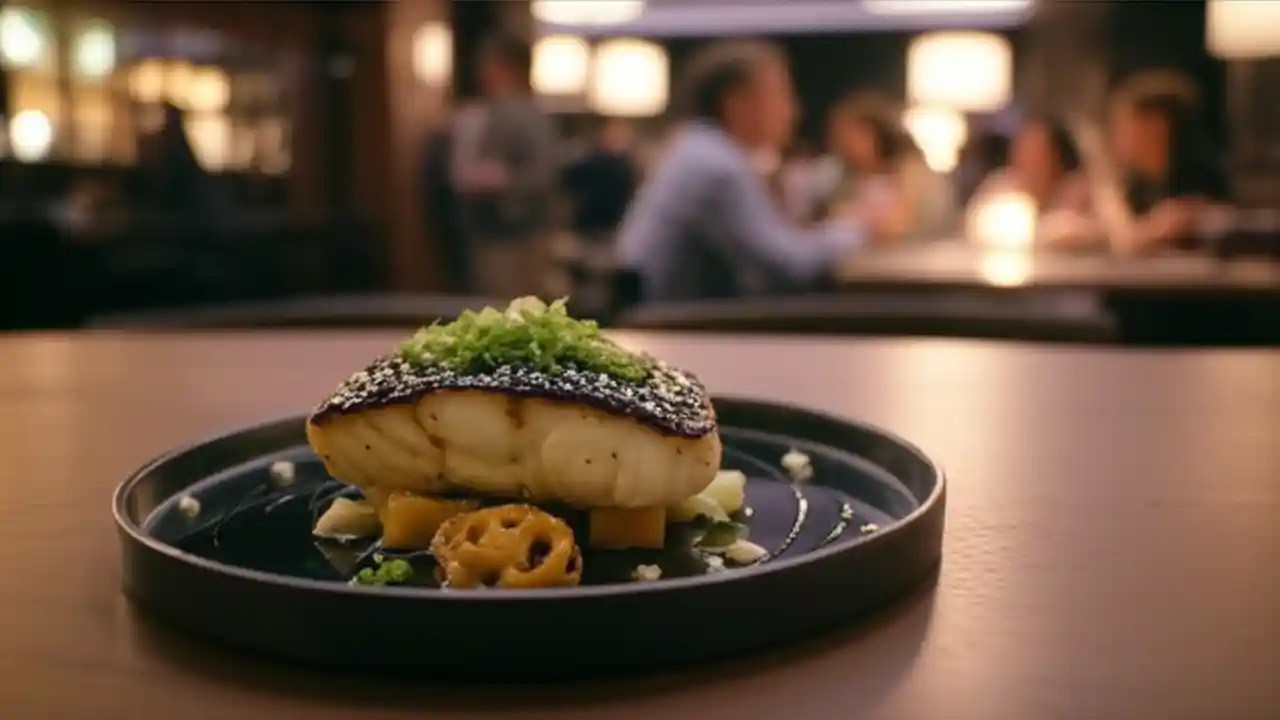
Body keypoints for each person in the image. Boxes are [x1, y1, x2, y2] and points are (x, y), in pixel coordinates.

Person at [616, 41, 864, 302]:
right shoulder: (718, 167)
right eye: (780, 95)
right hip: (680, 320)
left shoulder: (698, 146)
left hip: (667, 310)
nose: (794, 111)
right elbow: (788, 264)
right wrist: (855, 228)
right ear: (736, 102)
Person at [451, 33, 558, 295]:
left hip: (515, 236)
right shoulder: (488, 111)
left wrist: (502, 181)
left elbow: (543, 174)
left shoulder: (526, 114)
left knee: (512, 306)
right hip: (493, 232)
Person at [1102, 72, 1230, 253]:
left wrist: (1104, 186)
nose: (1115, 136)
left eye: (1123, 124)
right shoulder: (1140, 186)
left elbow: (1129, 240)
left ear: (1156, 127)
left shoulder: (1199, 182)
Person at [815, 93, 956, 244]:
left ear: (877, 134)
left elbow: (905, 223)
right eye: (841, 138)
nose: (848, 145)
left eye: (856, 136)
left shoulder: (914, 173)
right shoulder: (844, 182)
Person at [967, 116, 1095, 246]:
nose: (1026, 161)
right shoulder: (1000, 188)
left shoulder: (1077, 191)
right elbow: (979, 228)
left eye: (1037, 154)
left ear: (1057, 159)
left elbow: (1092, 231)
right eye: (1022, 152)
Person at [561, 118, 638, 243]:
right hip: (588, 228)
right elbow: (569, 185)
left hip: (615, 229)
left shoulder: (626, 168)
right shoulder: (588, 163)